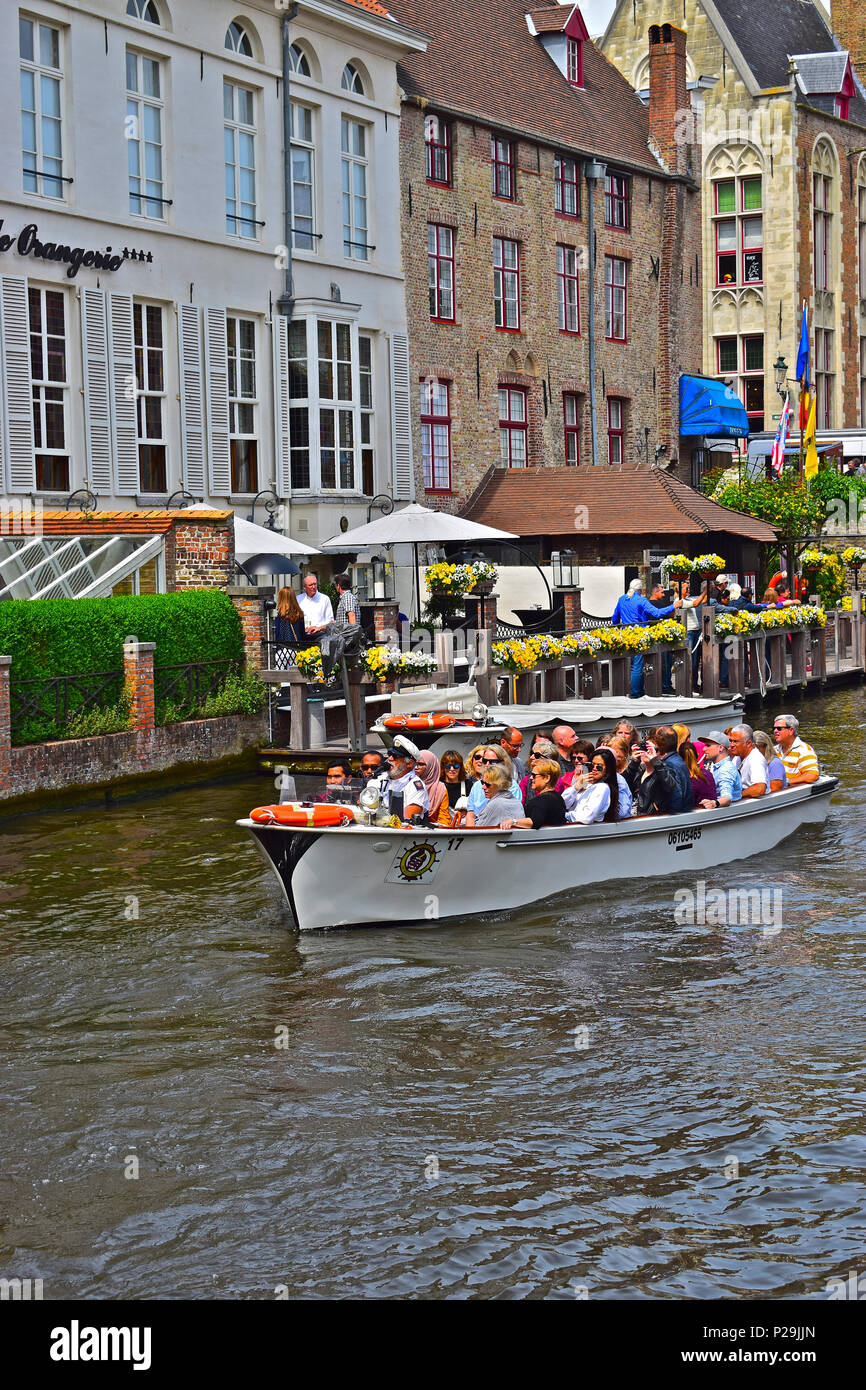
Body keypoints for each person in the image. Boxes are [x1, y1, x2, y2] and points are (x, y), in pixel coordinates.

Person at [610, 578, 682, 697]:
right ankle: (636, 693)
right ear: (641, 590)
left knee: (632, 665)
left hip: (625, 635)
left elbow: (615, 619)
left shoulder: (622, 599)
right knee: (637, 666)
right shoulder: (641, 600)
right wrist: (673, 606)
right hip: (640, 635)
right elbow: (657, 613)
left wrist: (619, 630)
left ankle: (633, 691)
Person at [633, 725, 694, 816]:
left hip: (668, 821)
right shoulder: (676, 760)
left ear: (660, 746)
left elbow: (676, 797)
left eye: (654, 742)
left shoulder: (669, 764)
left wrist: (669, 819)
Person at [500, 758, 566, 829]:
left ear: (547, 778)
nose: (531, 778)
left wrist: (513, 821)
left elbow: (535, 821)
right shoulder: (558, 798)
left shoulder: (543, 800)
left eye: (534, 775)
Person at [464, 746, 518, 826]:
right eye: (485, 761)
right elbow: (471, 815)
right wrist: (471, 835)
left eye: (492, 762)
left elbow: (513, 815)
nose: (487, 765)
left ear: (503, 763)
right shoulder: (476, 786)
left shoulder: (512, 786)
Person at [565, 747, 620, 824]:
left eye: (599, 767)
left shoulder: (602, 788)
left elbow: (586, 818)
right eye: (592, 765)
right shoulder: (587, 784)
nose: (594, 769)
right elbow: (563, 804)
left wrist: (565, 815)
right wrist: (576, 787)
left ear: (607, 769)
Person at [380, 737, 428, 821]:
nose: (389, 759)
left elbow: (408, 817)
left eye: (395, 756)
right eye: (389, 754)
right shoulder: (381, 779)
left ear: (409, 763)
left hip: (399, 831)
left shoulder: (416, 785)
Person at [697, 730, 742, 808]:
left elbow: (727, 798)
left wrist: (714, 803)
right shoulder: (721, 766)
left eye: (708, 745)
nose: (704, 749)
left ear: (720, 748)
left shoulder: (726, 769)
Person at [473, 761, 525, 828]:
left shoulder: (496, 804)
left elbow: (478, 829)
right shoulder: (516, 801)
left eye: (487, 784)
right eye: (482, 782)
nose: (483, 787)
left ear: (500, 785)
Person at [773, 714, 819, 785]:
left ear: (791, 730)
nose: (775, 731)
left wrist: (786, 782)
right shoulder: (773, 750)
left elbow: (812, 775)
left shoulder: (804, 750)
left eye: (779, 728)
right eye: (774, 728)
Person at [728, 723, 769, 798]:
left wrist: (735, 796)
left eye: (735, 741)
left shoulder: (756, 759)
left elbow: (760, 788)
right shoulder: (737, 757)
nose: (731, 745)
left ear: (749, 743)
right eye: (730, 741)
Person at [415, 750, 448, 825]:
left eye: (420, 764)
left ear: (431, 766)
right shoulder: (408, 784)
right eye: (415, 763)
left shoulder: (440, 789)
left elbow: (444, 818)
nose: (416, 767)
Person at [680, 740, 716, 805]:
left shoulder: (682, 779)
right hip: (714, 812)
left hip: (696, 813)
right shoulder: (708, 774)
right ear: (697, 755)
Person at [606, 737, 635, 818]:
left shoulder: (634, 769)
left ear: (625, 752)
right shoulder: (608, 770)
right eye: (611, 753)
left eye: (617, 753)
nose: (614, 756)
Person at [273, 586, 307, 651]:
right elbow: (302, 635)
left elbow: (277, 633)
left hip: (283, 650)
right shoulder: (299, 614)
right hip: (296, 649)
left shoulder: (279, 615)